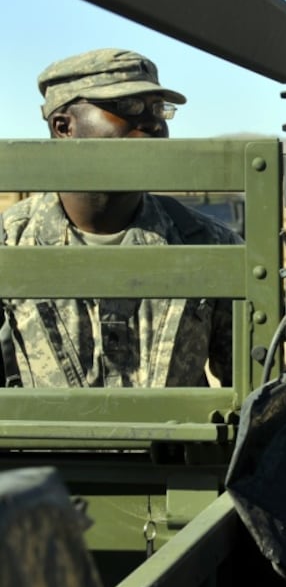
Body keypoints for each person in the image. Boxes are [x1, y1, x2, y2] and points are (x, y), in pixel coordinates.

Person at [0, 48, 243, 388]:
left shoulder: (208, 243)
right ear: (63, 127)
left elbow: (254, 390)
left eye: (158, 108)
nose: (153, 122)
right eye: (127, 106)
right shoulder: (10, 244)